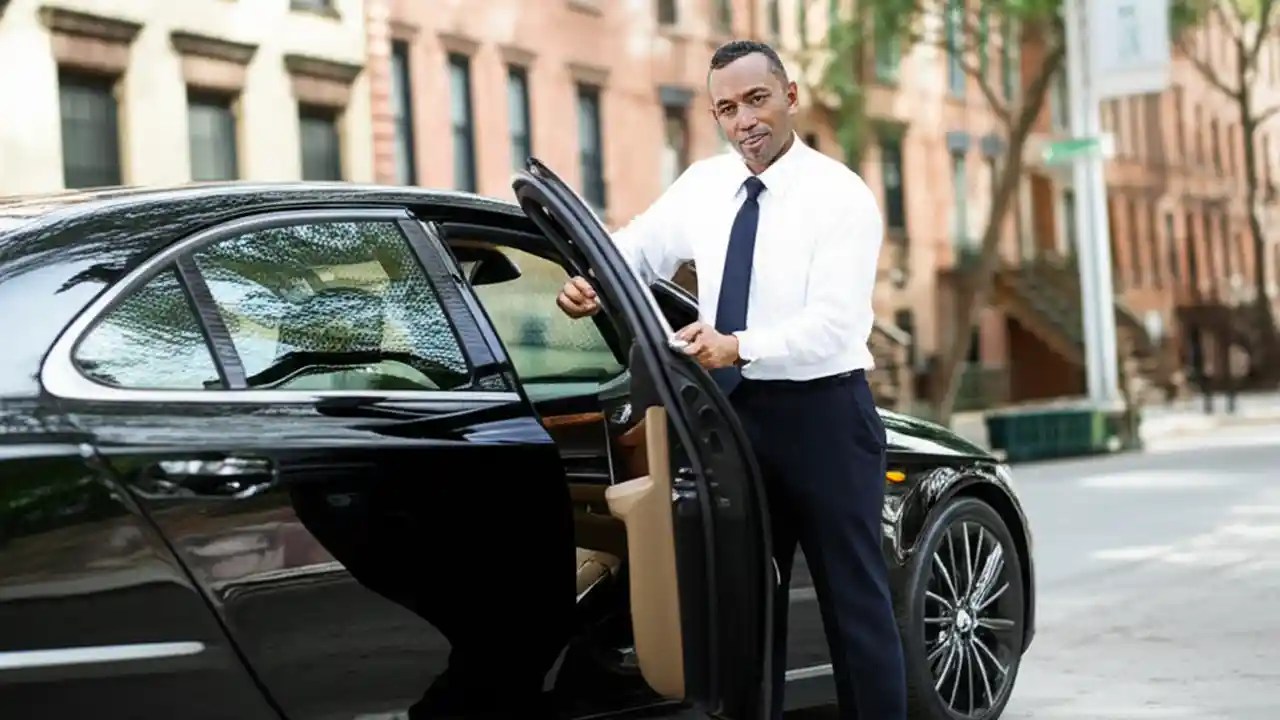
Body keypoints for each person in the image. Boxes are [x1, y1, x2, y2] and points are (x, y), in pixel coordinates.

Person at [556, 39, 907, 720]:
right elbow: (639, 245)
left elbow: (834, 328)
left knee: (855, 611)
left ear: (789, 97)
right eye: (726, 108)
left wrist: (738, 345)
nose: (744, 120)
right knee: (744, 615)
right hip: (733, 423)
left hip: (825, 419)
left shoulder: (841, 196)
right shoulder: (704, 185)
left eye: (756, 100)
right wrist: (593, 281)